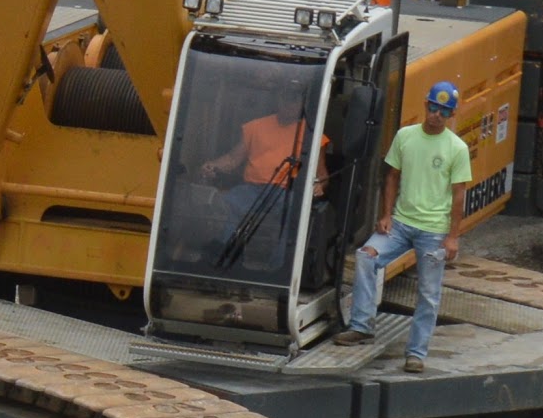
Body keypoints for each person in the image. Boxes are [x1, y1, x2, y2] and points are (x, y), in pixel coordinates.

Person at [334, 80, 472, 373]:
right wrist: (386, 215)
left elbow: (459, 194)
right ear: (425, 104)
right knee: (366, 256)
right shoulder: (405, 136)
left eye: (444, 111)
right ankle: (362, 324)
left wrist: (452, 237)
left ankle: (416, 354)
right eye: (434, 107)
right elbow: (391, 176)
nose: (437, 115)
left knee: (428, 293)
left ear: (452, 115)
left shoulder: (456, 148)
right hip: (401, 223)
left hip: (433, 231)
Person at [198, 80, 329, 265]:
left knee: (295, 214)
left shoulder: (312, 134)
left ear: (303, 102)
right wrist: (212, 166)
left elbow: (322, 175)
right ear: (278, 99)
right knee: (225, 204)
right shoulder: (255, 127)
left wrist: (318, 185)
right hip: (251, 190)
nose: (289, 103)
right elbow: (233, 159)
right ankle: (228, 262)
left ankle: (280, 270)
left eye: (295, 98)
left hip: (287, 193)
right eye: (285, 97)